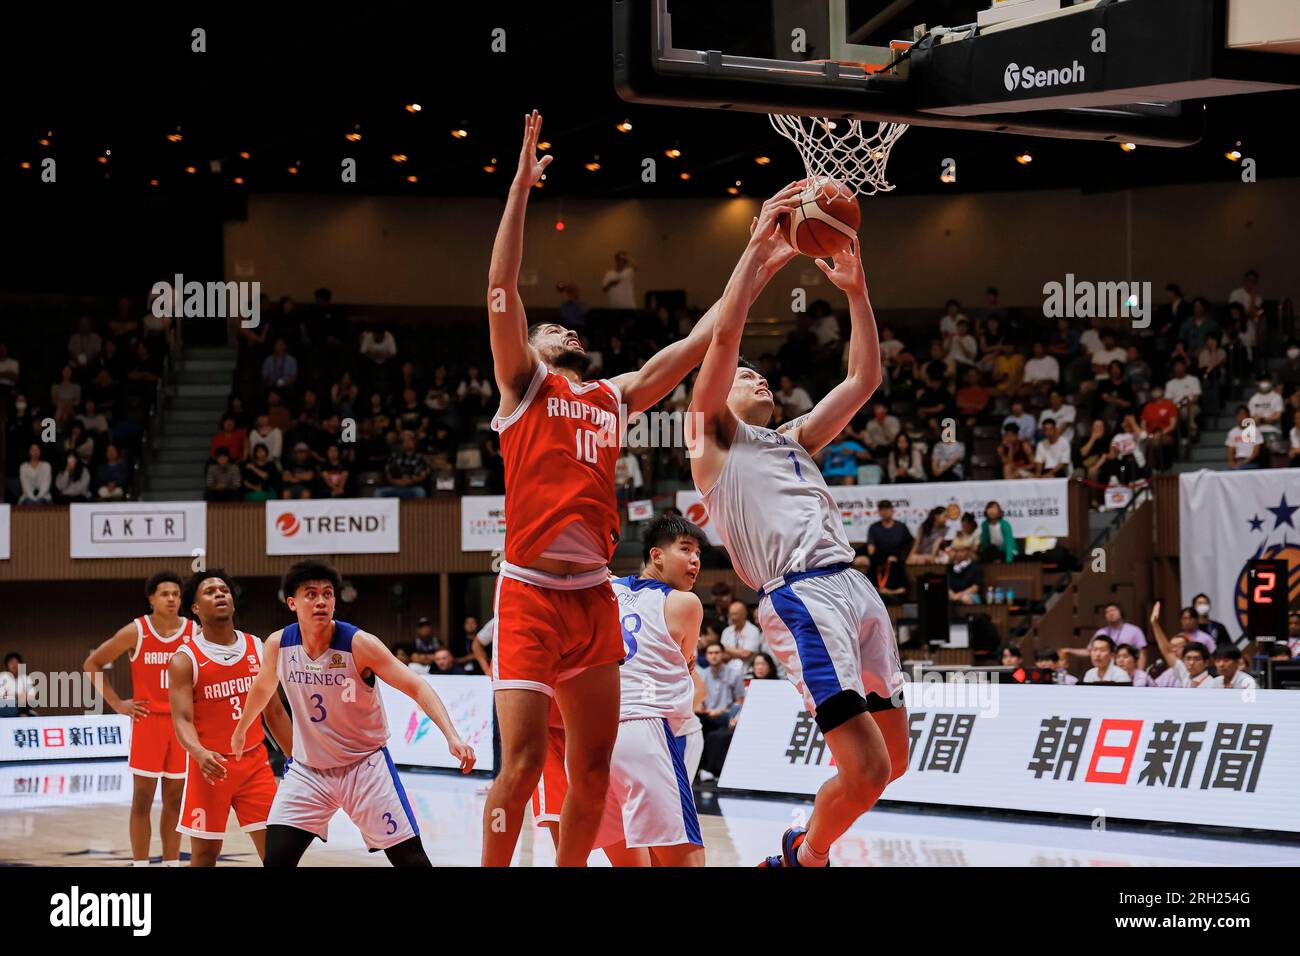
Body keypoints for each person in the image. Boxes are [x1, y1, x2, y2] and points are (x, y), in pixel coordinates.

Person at [480, 112, 800, 867]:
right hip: (527, 591)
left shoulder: (611, 397)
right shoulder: (522, 386)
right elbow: (499, 285)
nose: (563, 332)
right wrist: (521, 190)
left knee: (591, 771)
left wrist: (760, 259)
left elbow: (697, 343)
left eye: (567, 329)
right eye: (551, 328)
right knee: (524, 766)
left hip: (591, 594)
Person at [687, 201, 906, 869]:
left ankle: (799, 846)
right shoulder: (709, 441)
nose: (759, 377)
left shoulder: (793, 438)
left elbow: (864, 378)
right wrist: (756, 253)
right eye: (745, 377)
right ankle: (805, 859)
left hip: (855, 587)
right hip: (801, 596)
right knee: (865, 770)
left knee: (890, 766)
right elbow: (723, 342)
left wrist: (858, 291)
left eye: (764, 375)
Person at [230, 560, 475, 867]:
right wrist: (241, 729)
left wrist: (452, 736)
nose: (321, 601)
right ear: (292, 602)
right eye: (311, 594)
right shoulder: (279, 644)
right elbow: (263, 688)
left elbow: (417, 686)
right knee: (276, 859)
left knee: (411, 860)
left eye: (328, 594)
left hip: (364, 768)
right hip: (309, 771)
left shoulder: (360, 644)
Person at [589, 513, 708, 866]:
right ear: (656, 556)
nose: (695, 560)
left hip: (595, 737)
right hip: (646, 729)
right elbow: (685, 661)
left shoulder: (606, 588)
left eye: (699, 554)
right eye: (685, 549)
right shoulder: (686, 604)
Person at [169, 571, 293, 865]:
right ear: (196, 608)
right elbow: (183, 719)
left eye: (224, 590)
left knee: (277, 852)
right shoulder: (184, 660)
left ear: (234, 603)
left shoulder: (257, 648)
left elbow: (274, 711)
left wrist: (297, 760)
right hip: (210, 768)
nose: (220, 594)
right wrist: (198, 753)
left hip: (255, 765)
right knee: (205, 855)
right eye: (210, 592)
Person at [82, 572, 197, 866]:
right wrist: (118, 703)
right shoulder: (137, 631)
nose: (172, 599)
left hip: (182, 725)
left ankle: (171, 863)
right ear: (152, 599)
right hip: (148, 724)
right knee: (143, 799)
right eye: (165, 594)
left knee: (174, 801)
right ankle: (141, 864)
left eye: (176, 594)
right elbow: (92, 664)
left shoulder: (194, 631)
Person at [1149, 601, 1212, 687]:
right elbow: (1167, 652)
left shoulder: (1213, 683)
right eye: (1188, 658)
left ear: (1206, 662)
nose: (1191, 662)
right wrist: (1155, 624)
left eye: (1196, 659)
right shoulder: (1185, 674)